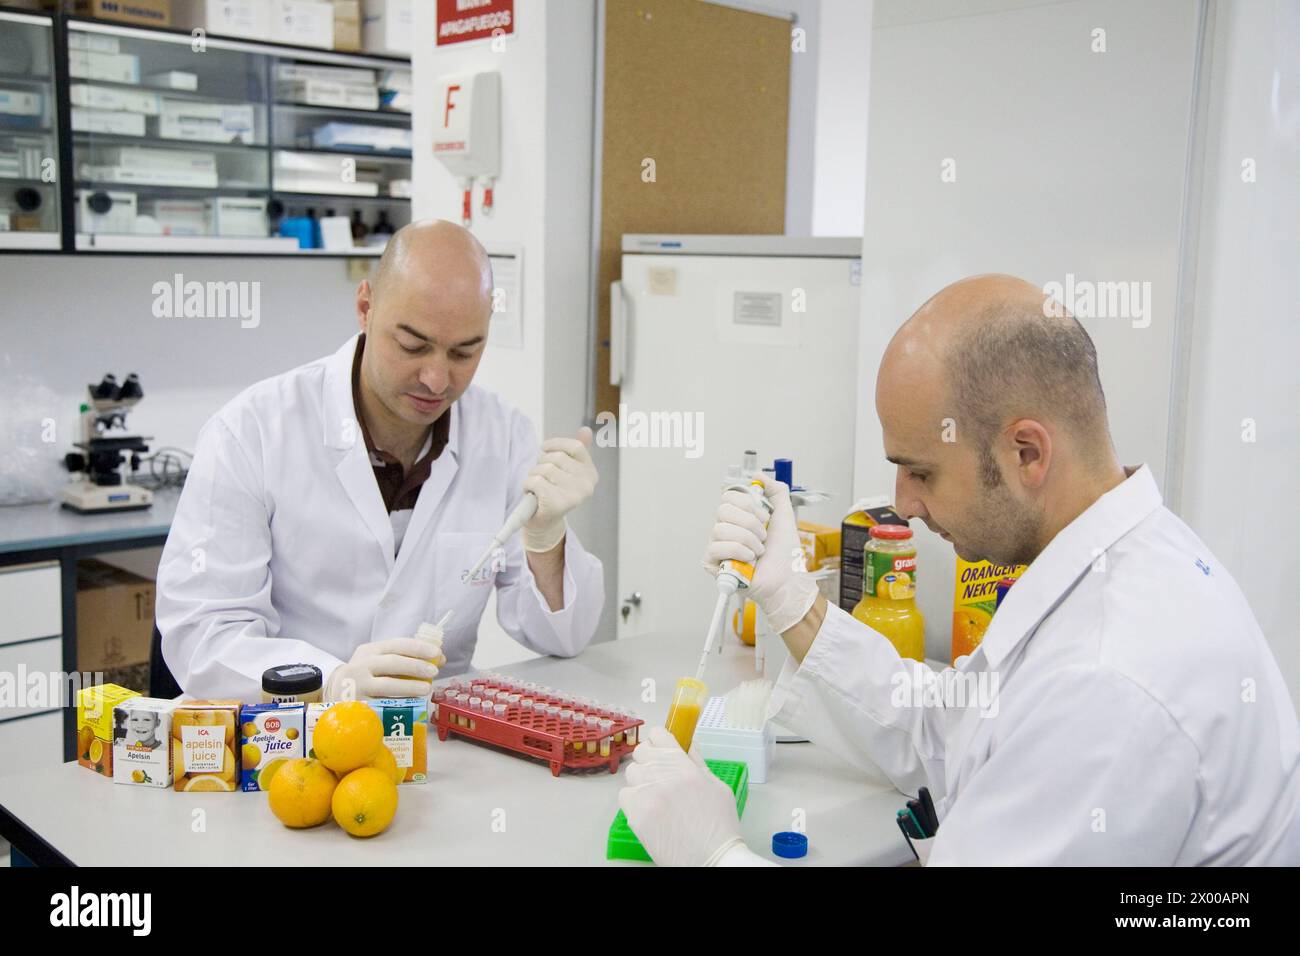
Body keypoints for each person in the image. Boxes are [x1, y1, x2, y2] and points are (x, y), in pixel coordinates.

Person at [619, 274, 1299, 866]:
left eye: (921, 471)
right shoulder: (1124, 564)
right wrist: (791, 598)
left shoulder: (1107, 681)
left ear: (1027, 453)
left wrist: (717, 856)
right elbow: (945, 729)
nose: (905, 505)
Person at [157, 220, 604, 701]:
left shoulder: (504, 435)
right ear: (365, 308)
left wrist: (546, 539)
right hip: (288, 736)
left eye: (463, 353)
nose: (436, 379)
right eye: (412, 346)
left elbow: (562, 639)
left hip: (432, 743)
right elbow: (203, 634)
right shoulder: (252, 431)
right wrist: (331, 681)